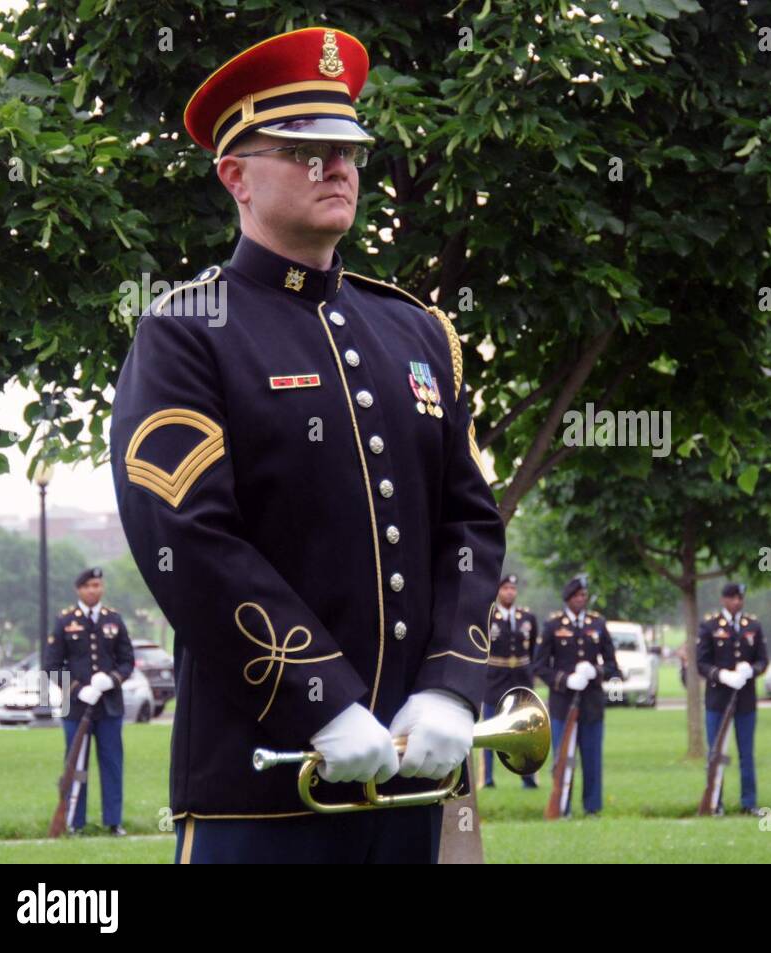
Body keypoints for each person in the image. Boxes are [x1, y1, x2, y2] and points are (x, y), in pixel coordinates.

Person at [110, 26, 505, 863]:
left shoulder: (414, 330)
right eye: (304, 150)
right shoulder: (186, 330)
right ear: (235, 177)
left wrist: (451, 682)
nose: (338, 168)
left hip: (411, 776)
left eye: (347, 149)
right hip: (263, 791)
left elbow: (470, 523)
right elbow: (190, 536)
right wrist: (318, 698)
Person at [42, 568, 135, 836]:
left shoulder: (114, 620)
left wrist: (113, 679)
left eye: (98, 585)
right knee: (77, 765)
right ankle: (75, 821)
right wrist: (77, 689)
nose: (94, 590)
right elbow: (51, 666)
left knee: (112, 763)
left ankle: (114, 821)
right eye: (89, 586)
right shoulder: (65, 621)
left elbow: (128, 660)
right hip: (76, 707)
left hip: (109, 706)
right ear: (79, 590)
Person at [532, 574, 621, 816]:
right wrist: (565, 679)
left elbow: (614, 666)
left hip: (592, 704)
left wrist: (596, 670)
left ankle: (592, 807)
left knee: (592, 759)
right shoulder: (553, 625)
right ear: (569, 598)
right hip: (563, 703)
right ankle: (562, 806)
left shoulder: (598, 624)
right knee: (563, 759)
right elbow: (539, 666)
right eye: (578, 596)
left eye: (584, 595)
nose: (583, 599)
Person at [696, 582, 768, 815]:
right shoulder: (709, 626)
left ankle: (749, 802)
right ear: (723, 600)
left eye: (740, 598)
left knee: (747, 753)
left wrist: (752, 670)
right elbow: (702, 664)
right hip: (718, 699)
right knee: (717, 752)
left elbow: (763, 660)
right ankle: (715, 801)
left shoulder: (753, 626)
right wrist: (722, 675)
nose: (737, 602)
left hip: (745, 700)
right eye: (733, 598)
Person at [482, 573, 538, 789]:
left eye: (513, 589)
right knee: (489, 731)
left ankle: (528, 777)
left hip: (521, 679)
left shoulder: (527, 618)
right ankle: (487, 779)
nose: (510, 593)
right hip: (495, 679)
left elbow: (532, 650)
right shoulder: (489, 616)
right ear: (498, 591)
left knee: (526, 729)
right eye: (505, 589)